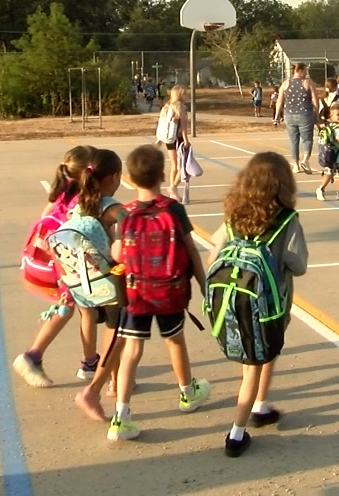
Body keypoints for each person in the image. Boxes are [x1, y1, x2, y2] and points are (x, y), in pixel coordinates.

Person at [104, 146, 210, 440]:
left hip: (136, 294)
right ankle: (187, 393)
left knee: (132, 351)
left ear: (129, 179)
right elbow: (190, 251)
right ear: (162, 175)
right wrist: (202, 284)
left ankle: (121, 416)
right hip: (170, 292)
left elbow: (118, 253)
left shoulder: (125, 214)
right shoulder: (174, 209)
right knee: (175, 342)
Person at [206, 152, 308, 457]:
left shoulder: (234, 216)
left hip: (235, 302)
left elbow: (213, 253)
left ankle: (260, 402)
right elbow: (298, 264)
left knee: (255, 353)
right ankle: (236, 434)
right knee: (260, 358)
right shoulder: (287, 221)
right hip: (273, 303)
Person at [13, 146, 100, 388]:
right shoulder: (81, 199)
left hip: (51, 259)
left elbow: (44, 219)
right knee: (71, 308)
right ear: (88, 171)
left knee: (81, 309)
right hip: (64, 263)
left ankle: (89, 361)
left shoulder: (62, 193)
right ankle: (34, 355)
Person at [68, 149, 129, 420]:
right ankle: (105, 386)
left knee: (112, 332)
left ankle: (112, 382)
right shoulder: (111, 207)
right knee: (117, 335)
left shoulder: (80, 203)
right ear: (115, 177)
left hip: (84, 280)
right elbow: (128, 227)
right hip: (110, 280)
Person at [275, 63, 320, 174]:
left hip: (289, 115)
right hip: (305, 114)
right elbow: (315, 99)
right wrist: (317, 114)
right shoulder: (307, 82)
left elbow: (279, 101)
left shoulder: (285, 83)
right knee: (307, 139)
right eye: (305, 71)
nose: (306, 73)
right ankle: (305, 160)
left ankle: (296, 165)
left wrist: (276, 117)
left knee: (294, 141)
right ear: (299, 70)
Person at [316, 102, 339, 200]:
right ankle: (321, 188)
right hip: (334, 154)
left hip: (337, 154)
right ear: (331, 116)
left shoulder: (332, 126)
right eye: (337, 115)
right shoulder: (336, 128)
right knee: (330, 172)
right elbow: (337, 142)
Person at [162, 86, 188, 199]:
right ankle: (173, 186)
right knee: (184, 166)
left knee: (174, 165)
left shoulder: (166, 107)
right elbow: (183, 127)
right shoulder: (180, 107)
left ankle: (173, 192)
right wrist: (186, 140)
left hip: (168, 139)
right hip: (178, 138)